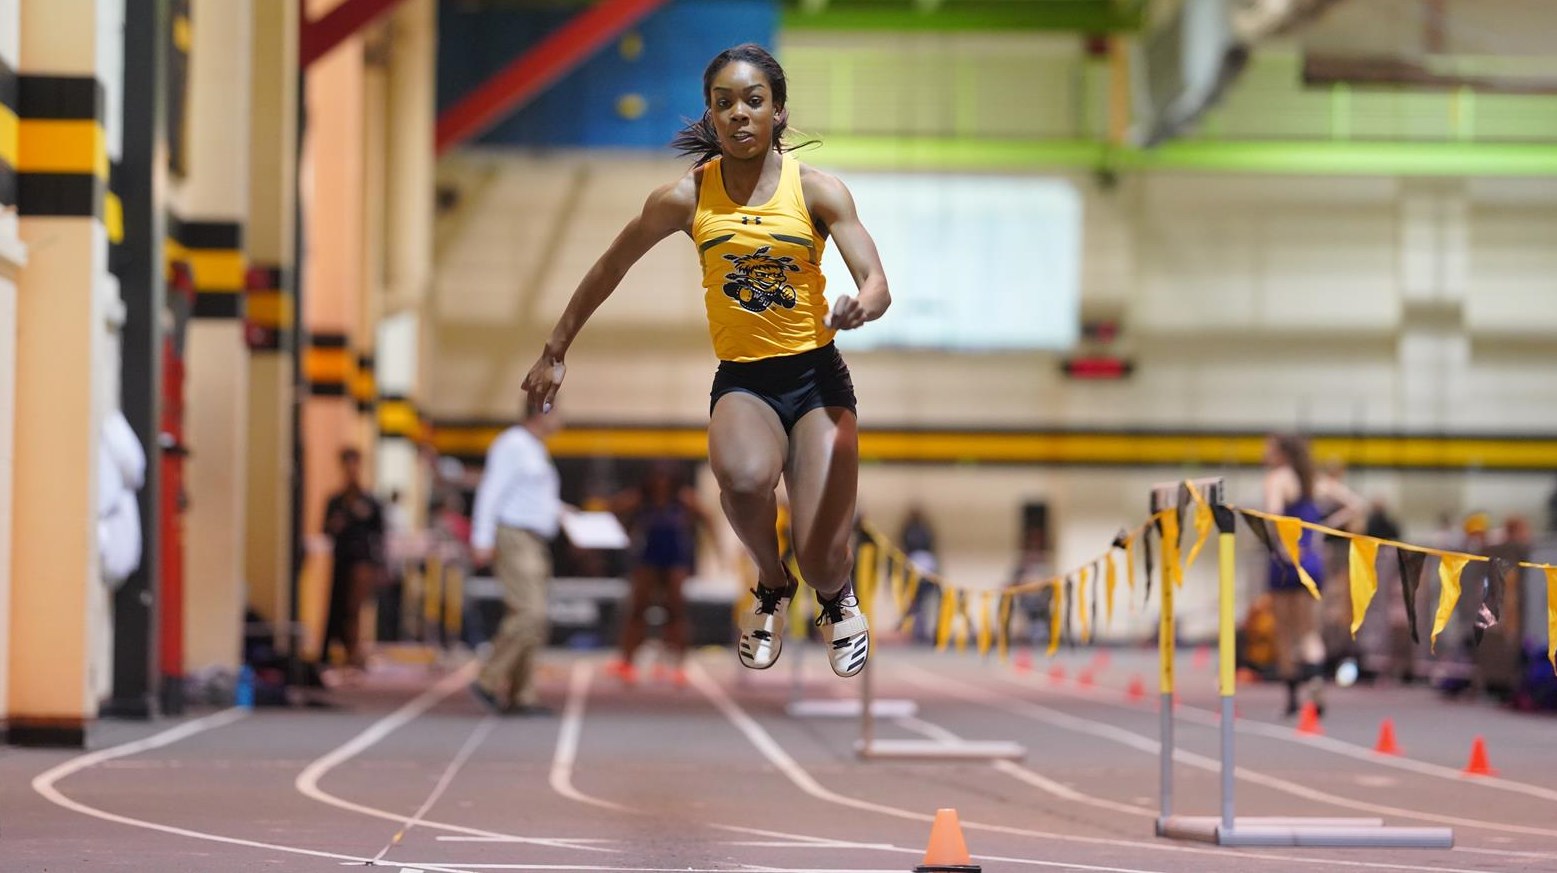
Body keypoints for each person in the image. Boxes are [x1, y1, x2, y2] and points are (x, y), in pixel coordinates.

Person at [521, 44, 890, 679]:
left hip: (816, 378)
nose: (739, 113)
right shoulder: (686, 197)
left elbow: (876, 281)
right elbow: (611, 265)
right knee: (742, 481)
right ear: (711, 115)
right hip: (745, 380)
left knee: (821, 555)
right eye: (725, 103)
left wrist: (862, 305)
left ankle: (836, 596)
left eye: (754, 101)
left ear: (777, 111)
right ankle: (771, 584)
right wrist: (555, 349)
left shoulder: (819, 192)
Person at [468, 401, 564, 715]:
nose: (562, 419)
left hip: (534, 540)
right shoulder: (512, 444)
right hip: (515, 537)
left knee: (536, 621)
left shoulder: (535, 448)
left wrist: (562, 513)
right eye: (557, 412)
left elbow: (532, 497)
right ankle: (487, 679)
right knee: (529, 613)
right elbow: (491, 491)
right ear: (541, 412)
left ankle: (523, 695)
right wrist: (481, 538)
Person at [1261, 434, 1361, 717]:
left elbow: (1274, 514)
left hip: (1286, 560)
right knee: (1309, 631)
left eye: (1269, 449)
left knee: (1285, 632)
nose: (1264, 454)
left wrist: (1283, 544)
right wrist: (1324, 528)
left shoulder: (1277, 479)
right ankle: (1315, 683)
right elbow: (1355, 504)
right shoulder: (1314, 480)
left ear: (1282, 453)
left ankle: (1292, 698)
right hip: (1311, 559)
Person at [606, 464, 712, 685]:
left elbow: (707, 518)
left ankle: (678, 663)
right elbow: (611, 508)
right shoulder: (640, 498)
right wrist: (624, 531)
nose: (661, 483)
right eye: (657, 477)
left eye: (666, 478)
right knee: (638, 609)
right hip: (647, 557)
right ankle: (627, 661)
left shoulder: (684, 499)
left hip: (675, 559)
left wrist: (712, 549)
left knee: (676, 611)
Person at [322, 447, 386, 669]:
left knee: (355, 607)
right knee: (338, 607)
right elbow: (326, 530)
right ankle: (340, 649)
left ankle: (354, 650)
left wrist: (380, 565)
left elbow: (380, 534)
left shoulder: (369, 501)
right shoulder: (336, 501)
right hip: (342, 560)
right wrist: (334, 526)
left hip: (362, 561)